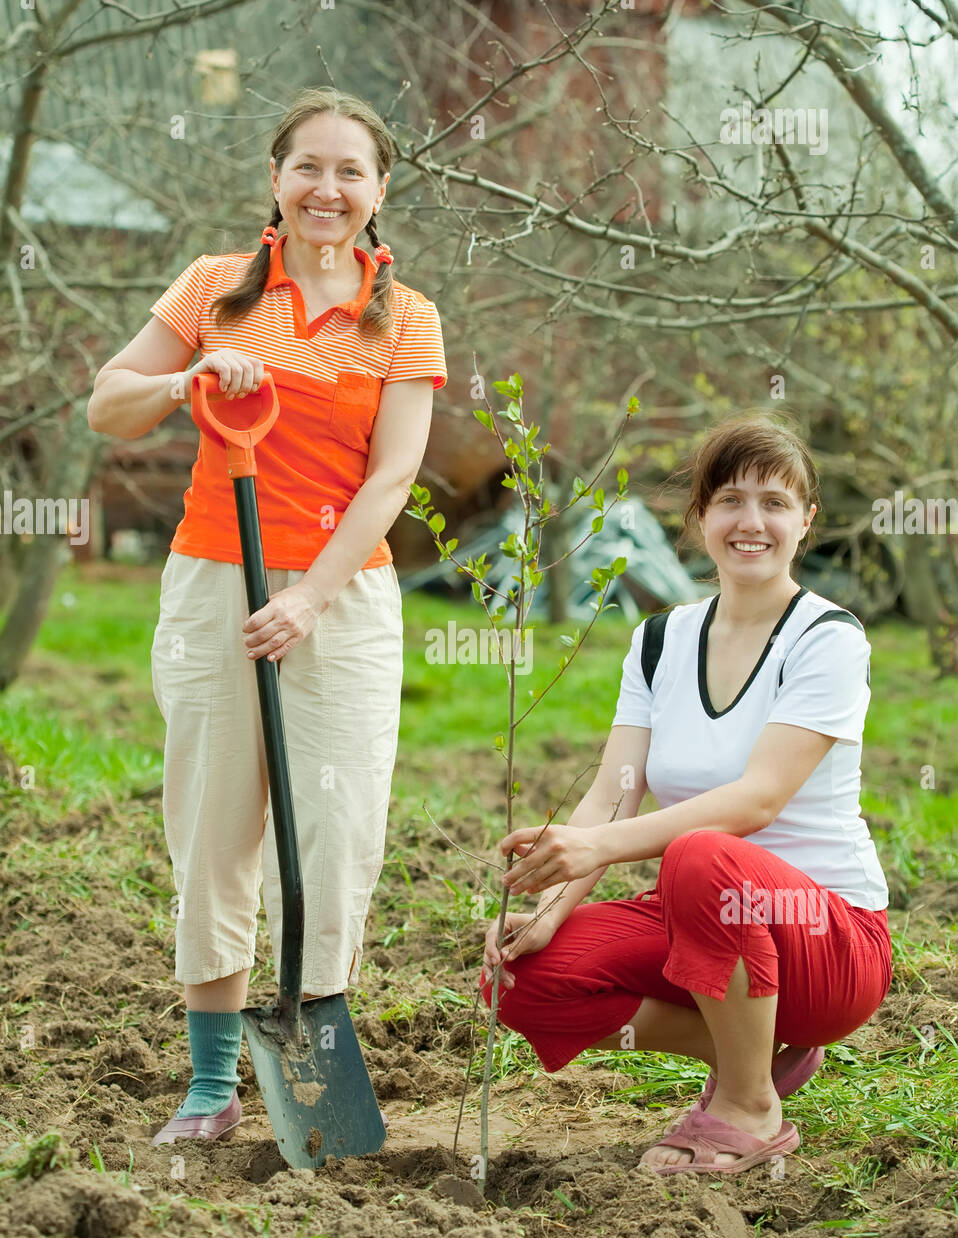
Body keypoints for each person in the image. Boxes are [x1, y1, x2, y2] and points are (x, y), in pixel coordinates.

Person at [87, 88, 447, 1144]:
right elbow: (108, 403)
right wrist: (187, 374)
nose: (326, 189)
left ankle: (307, 1062)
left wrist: (305, 596)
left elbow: (392, 479)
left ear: (379, 191)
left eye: (350, 172)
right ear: (274, 179)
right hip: (212, 582)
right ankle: (210, 1082)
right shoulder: (211, 288)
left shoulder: (405, 317)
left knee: (334, 833)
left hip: (339, 599)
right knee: (213, 823)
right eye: (308, 167)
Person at [480, 412, 891, 1176]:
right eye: (730, 499)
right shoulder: (662, 639)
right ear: (700, 517)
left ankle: (748, 1108)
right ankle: (754, 1049)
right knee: (518, 980)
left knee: (704, 854)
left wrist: (596, 847)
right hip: (714, 932)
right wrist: (545, 907)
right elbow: (614, 790)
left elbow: (757, 802)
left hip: (828, 941)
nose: (751, 521)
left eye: (774, 502)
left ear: (805, 521)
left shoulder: (829, 640)